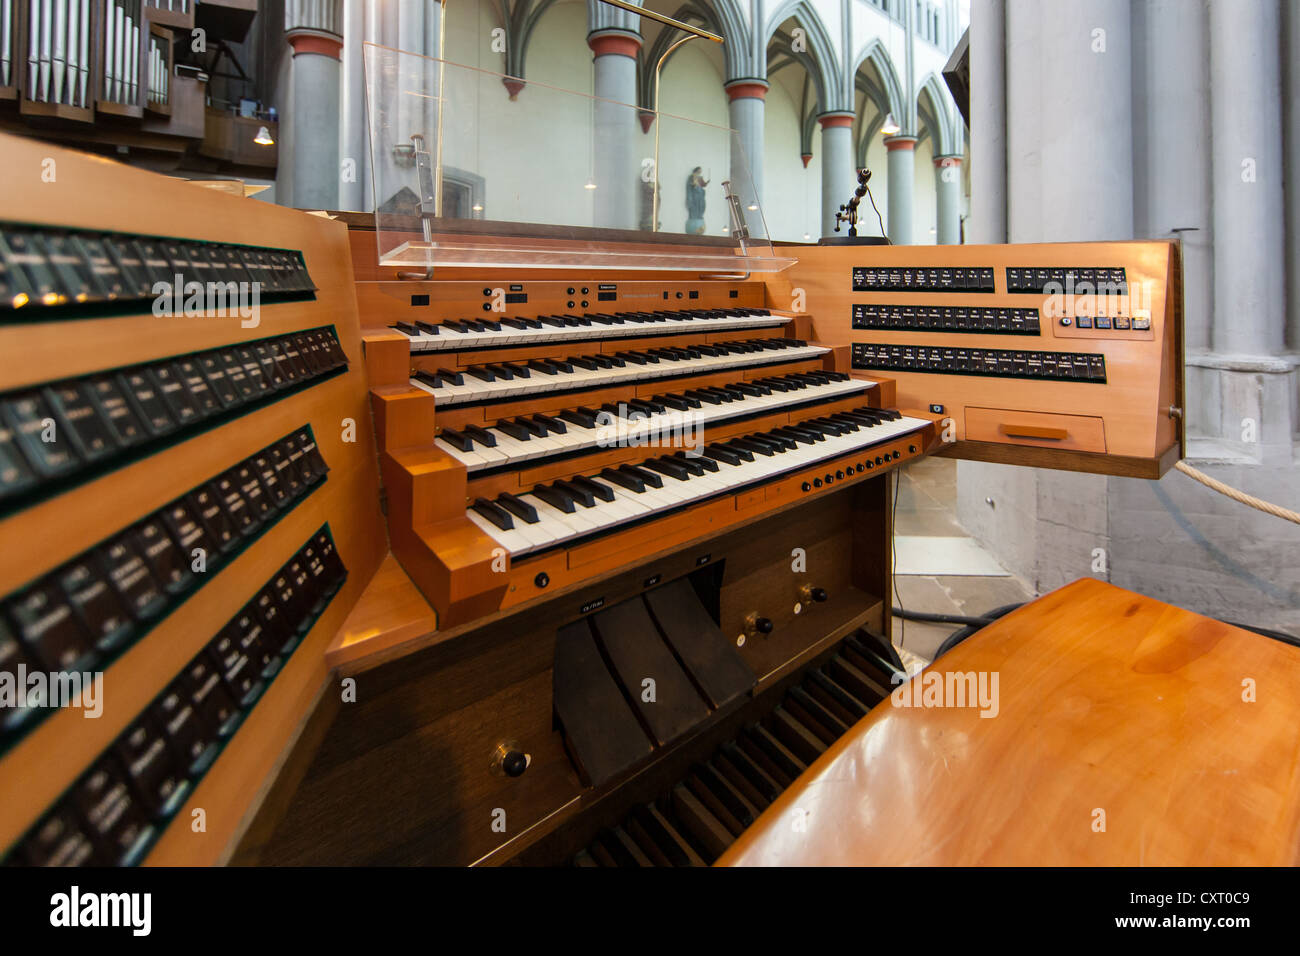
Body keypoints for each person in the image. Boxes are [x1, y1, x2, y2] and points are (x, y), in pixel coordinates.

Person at [685, 167, 708, 234]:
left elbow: (703, 184)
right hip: (694, 195)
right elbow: (690, 185)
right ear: (696, 170)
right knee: (694, 208)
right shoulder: (692, 177)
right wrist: (694, 184)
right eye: (699, 170)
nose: (700, 172)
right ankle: (694, 217)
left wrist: (705, 183)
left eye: (701, 171)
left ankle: (699, 216)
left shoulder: (700, 178)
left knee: (701, 207)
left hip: (700, 195)